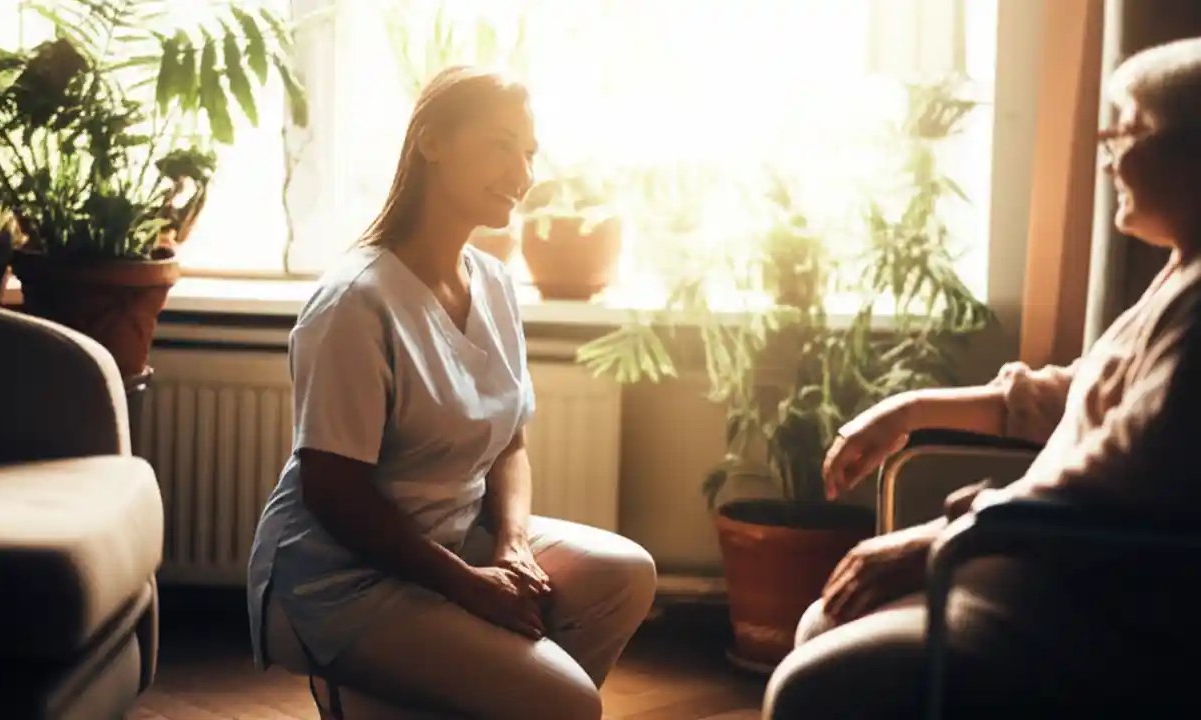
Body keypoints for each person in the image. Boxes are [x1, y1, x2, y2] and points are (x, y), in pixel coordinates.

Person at [764, 37, 1201, 719]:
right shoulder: (1180, 274)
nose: (1107, 146)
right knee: (825, 626)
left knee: (811, 684)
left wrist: (944, 537)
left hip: (1102, 605)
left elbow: (1120, 481)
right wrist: (910, 408)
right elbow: (1081, 394)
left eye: (1131, 127)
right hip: (1044, 570)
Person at [247, 66, 657, 720]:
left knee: (625, 573)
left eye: (528, 153)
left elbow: (510, 444)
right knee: (569, 705)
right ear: (431, 142)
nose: (522, 174)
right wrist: (469, 588)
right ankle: (392, 683)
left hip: (456, 537)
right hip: (344, 579)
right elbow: (332, 491)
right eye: (500, 144)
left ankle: (456, 692)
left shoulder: (494, 284)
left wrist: (513, 544)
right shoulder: (355, 302)